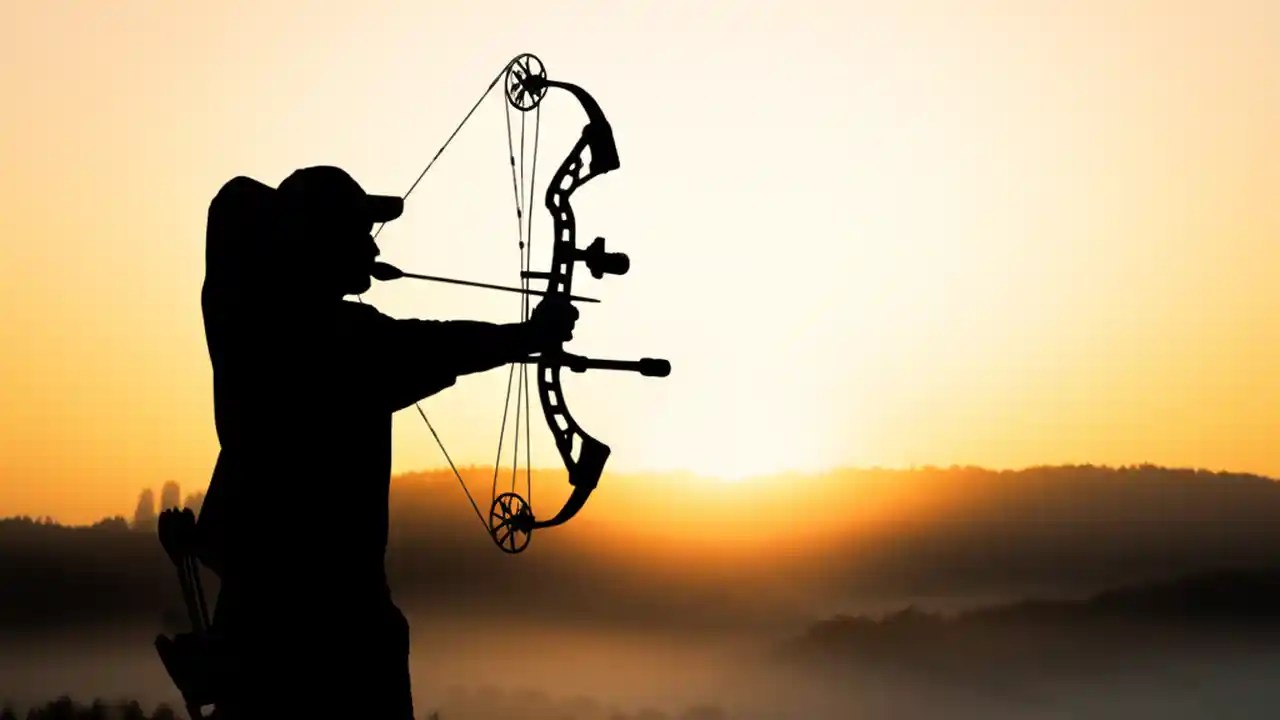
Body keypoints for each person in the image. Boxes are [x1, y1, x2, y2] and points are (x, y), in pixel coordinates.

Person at [192, 165, 577, 719]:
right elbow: (433, 346)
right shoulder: (325, 342)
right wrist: (528, 337)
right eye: (356, 231)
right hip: (329, 623)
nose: (371, 244)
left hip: (255, 611)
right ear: (314, 243)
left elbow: (233, 204)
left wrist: (300, 231)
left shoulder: (239, 318)